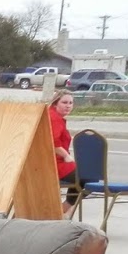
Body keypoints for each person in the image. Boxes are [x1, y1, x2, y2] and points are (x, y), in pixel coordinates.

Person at [48, 88, 78, 216]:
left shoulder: (53, 116)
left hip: (52, 161)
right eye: (64, 102)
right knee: (86, 176)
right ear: (56, 103)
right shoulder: (54, 118)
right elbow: (53, 143)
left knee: (84, 176)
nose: (68, 106)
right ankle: (62, 210)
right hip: (54, 163)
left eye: (70, 103)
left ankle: (64, 209)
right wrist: (66, 156)